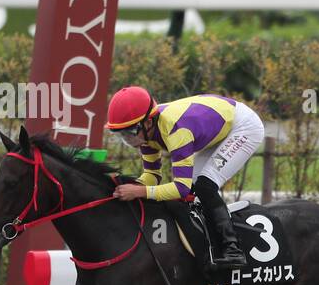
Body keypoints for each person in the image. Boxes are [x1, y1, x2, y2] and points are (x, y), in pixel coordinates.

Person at [105, 87, 265, 269]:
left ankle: (233, 250)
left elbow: (181, 188)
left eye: (130, 132)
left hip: (242, 127)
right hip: (217, 126)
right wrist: (124, 186)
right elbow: (152, 176)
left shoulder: (176, 131)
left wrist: (139, 191)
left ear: (148, 123)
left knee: (205, 186)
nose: (128, 140)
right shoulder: (146, 134)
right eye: (122, 135)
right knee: (195, 189)